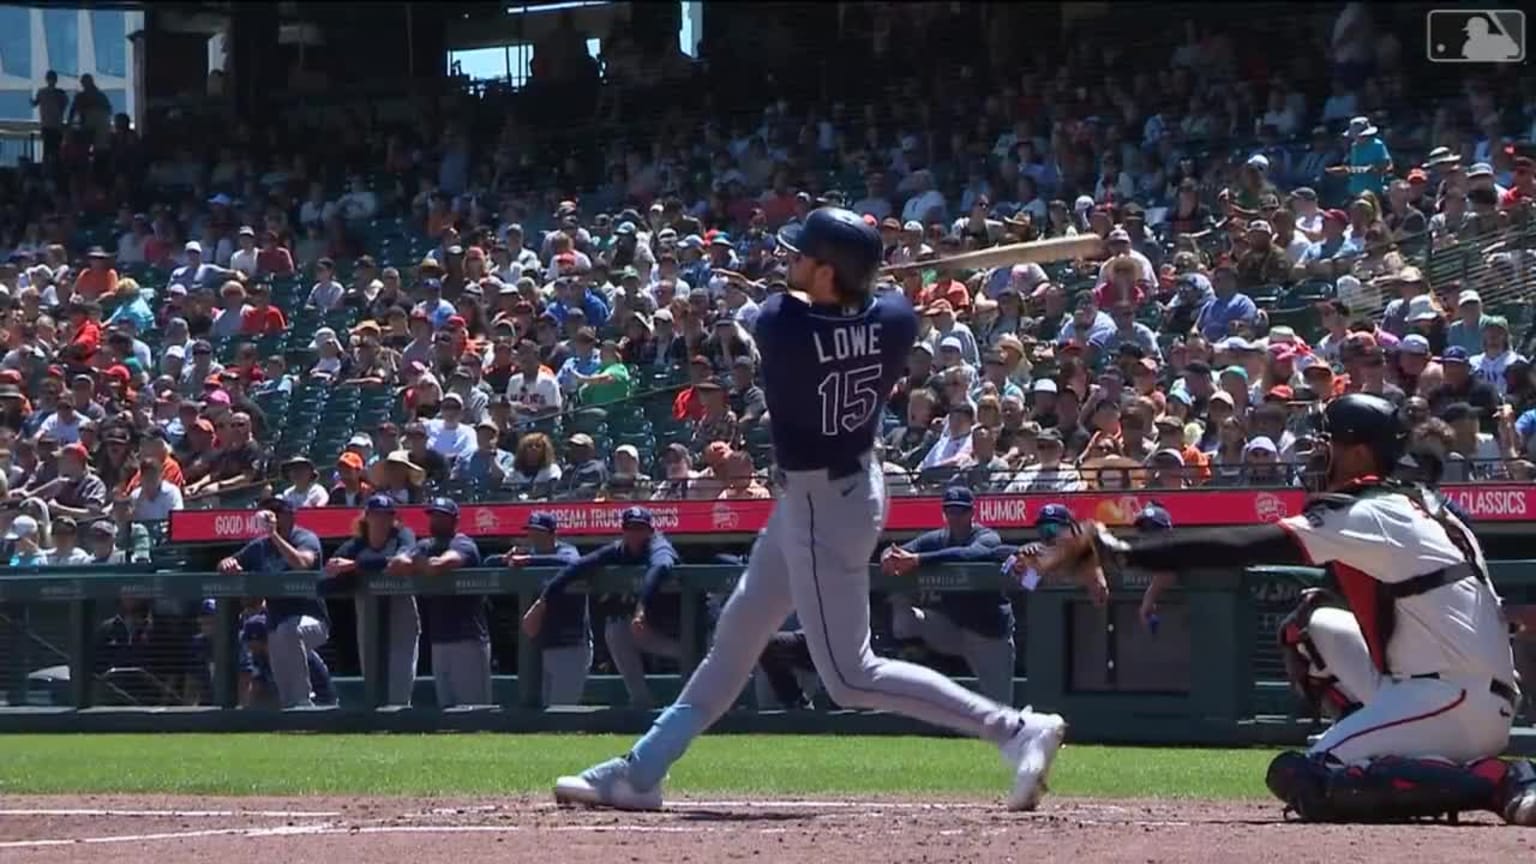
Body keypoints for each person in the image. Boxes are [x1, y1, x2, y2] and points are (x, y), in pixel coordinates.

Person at [552, 207, 1066, 812]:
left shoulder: (782, 326)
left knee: (851, 676)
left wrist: (853, 284)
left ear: (827, 274)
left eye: (801, 256)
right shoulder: (895, 322)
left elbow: (793, 303)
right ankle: (643, 770)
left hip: (825, 505)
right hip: (844, 490)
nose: (788, 262)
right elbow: (880, 306)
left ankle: (1013, 729)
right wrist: (858, 284)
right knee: (738, 635)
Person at [1045, 393, 1536, 825]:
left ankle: (1496, 780)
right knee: (1310, 625)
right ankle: (1377, 741)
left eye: (1332, 444)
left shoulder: (1368, 510)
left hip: (1454, 699)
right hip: (1436, 684)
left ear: (1361, 451)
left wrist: (1124, 552)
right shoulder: (1421, 504)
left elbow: (1244, 545)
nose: (1319, 453)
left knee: (1307, 777)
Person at [525, 506, 682, 710]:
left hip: (687, 628)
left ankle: (704, 706)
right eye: (630, 528)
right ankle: (641, 701)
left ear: (651, 530)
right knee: (616, 629)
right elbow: (576, 568)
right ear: (623, 530)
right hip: (654, 629)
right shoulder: (618, 549)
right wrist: (542, 602)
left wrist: (641, 608)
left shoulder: (659, 546)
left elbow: (661, 566)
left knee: (700, 660)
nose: (635, 534)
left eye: (640, 528)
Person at [881, 487, 1014, 704]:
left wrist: (918, 560)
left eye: (960, 512)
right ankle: (911, 650)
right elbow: (899, 550)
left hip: (988, 634)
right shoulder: (937, 538)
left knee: (1001, 707)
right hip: (950, 628)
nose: (955, 517)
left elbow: (972, 554)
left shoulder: (986, 536)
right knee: (901, 601)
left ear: (972, 513)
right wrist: (889, 555)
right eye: (950, 511)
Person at [217, 498, 329, 709]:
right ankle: (290, 706)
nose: (271, 517)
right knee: (277, 634)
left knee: (287, 631)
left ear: (289, 516)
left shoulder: (305, 538)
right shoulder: (260, 546)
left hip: (313, 620)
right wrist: (227, 564)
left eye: (276, 513)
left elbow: (303, 563)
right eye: (269, 513)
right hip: (276, 621)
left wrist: (274, 535)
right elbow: (226, 562)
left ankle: (304, 702)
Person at [391, 498, 490, 708]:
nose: (435, 521)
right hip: (439, 638)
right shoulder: (426, 545)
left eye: (441, 517)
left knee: (473, 710)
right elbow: (397, 564)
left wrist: (420, 565)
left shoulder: (464, 543)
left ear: (454, 520)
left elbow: (440, 565)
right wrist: (420, 564)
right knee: (446, 708)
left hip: (468, 638)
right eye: (433, 516)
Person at [324, 495, 420, 707]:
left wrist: (355, 566)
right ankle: (376, 718)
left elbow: (403, 561)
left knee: (401, 668)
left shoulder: (403, 535)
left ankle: (399, 718)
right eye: (376, 515)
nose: (381, 520)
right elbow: (329, 570)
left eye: (387, 515)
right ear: (366, 516)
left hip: (400, 605)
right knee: (372, 666)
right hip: (367, 606)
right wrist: (352, 566)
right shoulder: (357, 544)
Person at [507, 511, 587, 707]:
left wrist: (528, 561)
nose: (534, 537)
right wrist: (508, 558)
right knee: (547, 709)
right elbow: (489, 562)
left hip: (571, 644)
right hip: (544, 643)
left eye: (539, 532)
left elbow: (572, 563)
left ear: (552, 534)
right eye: (531, 532)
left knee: (563, 711)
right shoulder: (532, 554)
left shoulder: (567, 551)